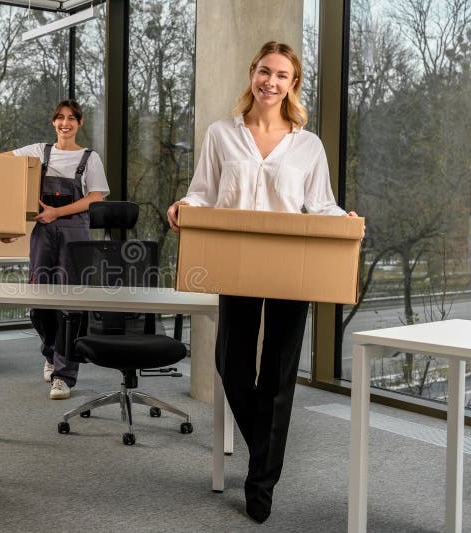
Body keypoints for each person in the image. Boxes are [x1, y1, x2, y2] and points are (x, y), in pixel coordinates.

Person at [167, 41, 359, 524]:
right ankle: (264, 453)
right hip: (238, 264)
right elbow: (201, 193)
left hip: (292, 268)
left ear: (292, 84)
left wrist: (344, 220)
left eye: (282, 75)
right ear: (252, 73)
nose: (271, 82)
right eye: (264, 71)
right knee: (230, 364)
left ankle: (261, 482)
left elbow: (322, 205)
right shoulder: (221, 134)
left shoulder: (307, 144)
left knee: (276, 372)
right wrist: (181, 209)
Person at [0, 100, 109, 400]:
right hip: (43, 232)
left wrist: (57, 213)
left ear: (79, 123)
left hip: (75, 233)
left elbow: (95, 198)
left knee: (70, 307)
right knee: (38, 302)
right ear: (53, 122)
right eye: (60, 117)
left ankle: (64, 375)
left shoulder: (90, 158)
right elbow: (0, 163)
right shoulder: (39, 151)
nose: (65, 123)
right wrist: (7, 217)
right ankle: (51, 353)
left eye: (72, 118)